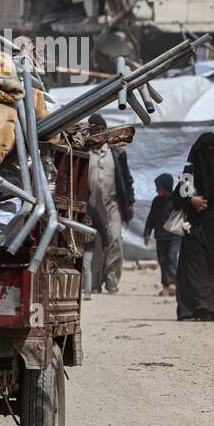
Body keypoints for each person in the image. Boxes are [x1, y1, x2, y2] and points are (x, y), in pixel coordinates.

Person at [172, 132, 214, 322]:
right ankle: (205, 308)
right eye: (209, 149)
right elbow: (177, 198)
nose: (213, 153)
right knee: (196, 268)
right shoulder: (190, 172)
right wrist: (192, 200)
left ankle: (195, 307)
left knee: (211, 267)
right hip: (195, 228)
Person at [82, 113, 134, 295]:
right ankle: (94, 283)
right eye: (94, 131)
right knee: (94, 244)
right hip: (91, 207)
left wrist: (130, 202)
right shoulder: (84, 152)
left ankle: (112, 281)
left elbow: (126, 179)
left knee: (115, 240)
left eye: (101, 130)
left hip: (113, 205)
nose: (98, 134)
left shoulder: (117, 152)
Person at [143, 172, 181, 297]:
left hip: (174, 236)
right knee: (163, 260)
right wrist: (147, 232)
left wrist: (182, 182)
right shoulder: (156, 201)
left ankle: (173, 283)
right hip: (160, 237)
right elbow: (151, 218)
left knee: (171, 257)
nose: (156, 190)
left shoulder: (175, 201)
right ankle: (166, 285)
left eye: (158, 187)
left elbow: (185, 197)